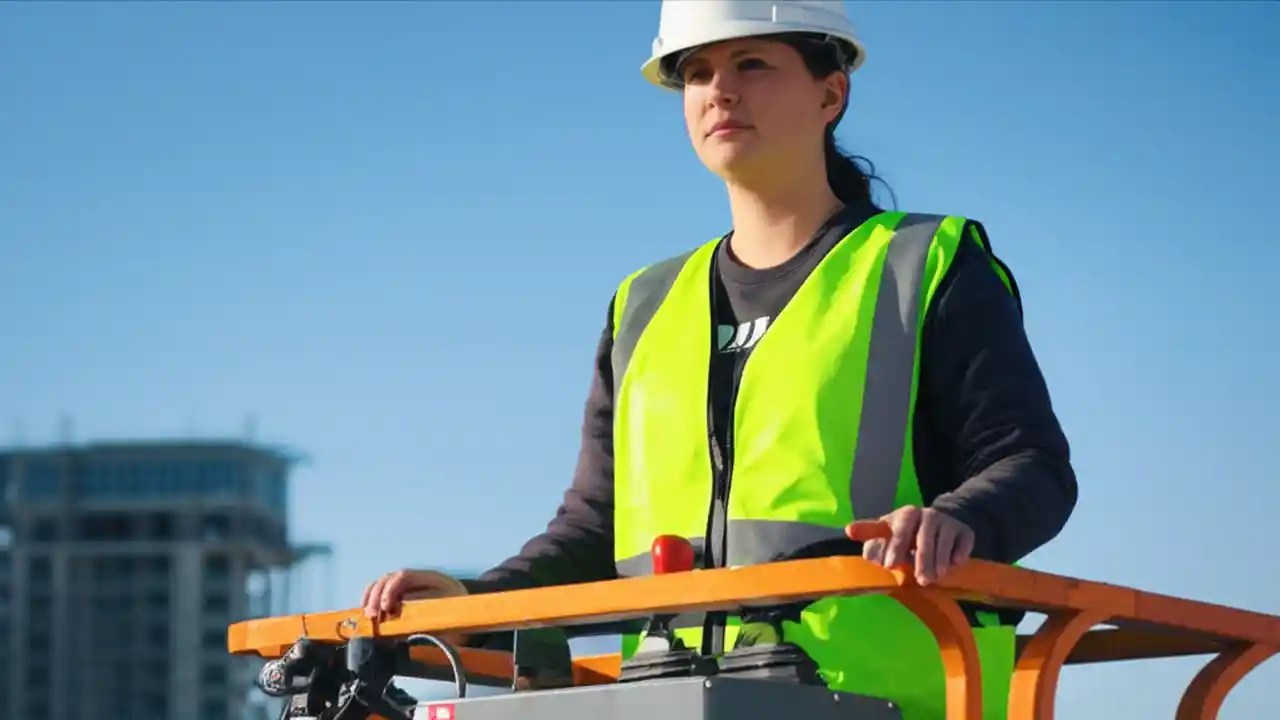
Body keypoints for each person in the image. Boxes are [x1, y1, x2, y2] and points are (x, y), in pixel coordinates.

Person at [360, 1, 1077, 717]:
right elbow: (594, 529)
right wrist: (472, 599)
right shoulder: (644, 306)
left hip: (896, 698)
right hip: (670, 699)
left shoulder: (921, 267)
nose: (719, 91)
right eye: (696, 73)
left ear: (832, 93)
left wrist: (956, 519)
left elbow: (1033, 467)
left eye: (752, 64)